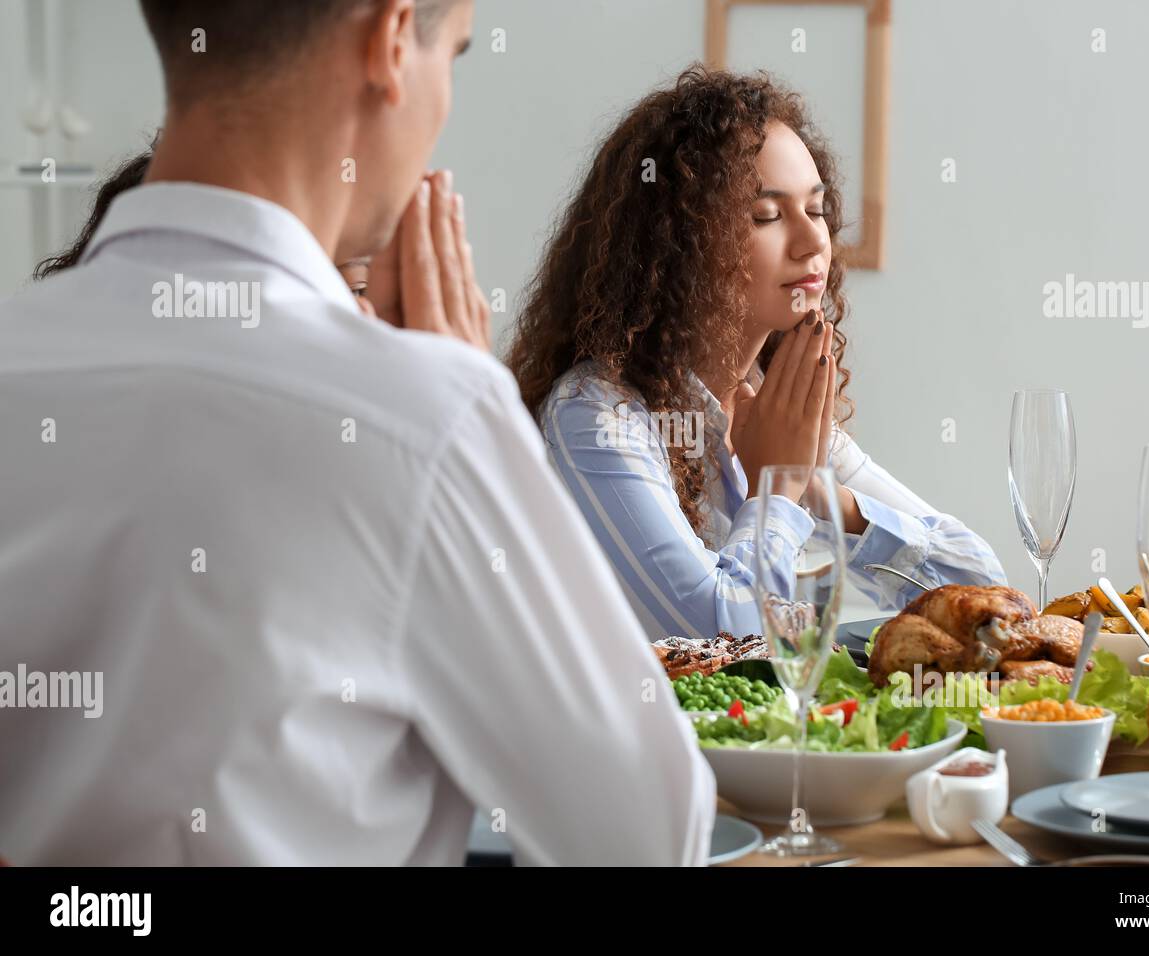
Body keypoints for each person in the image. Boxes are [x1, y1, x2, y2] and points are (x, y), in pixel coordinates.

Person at [0, 0, 714, 866]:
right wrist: (478, 422)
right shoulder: (424, 420)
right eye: (453, 53)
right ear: (389, 40)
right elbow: (648, 834)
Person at [506, 67, 1006, 643]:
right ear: (676, 246)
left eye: (816, 210)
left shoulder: (776, 414)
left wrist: (829, 498)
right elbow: (723, 634)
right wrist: (776, 491)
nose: (813, 240)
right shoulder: (598, 413)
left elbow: (984, 592)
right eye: (767, 216)